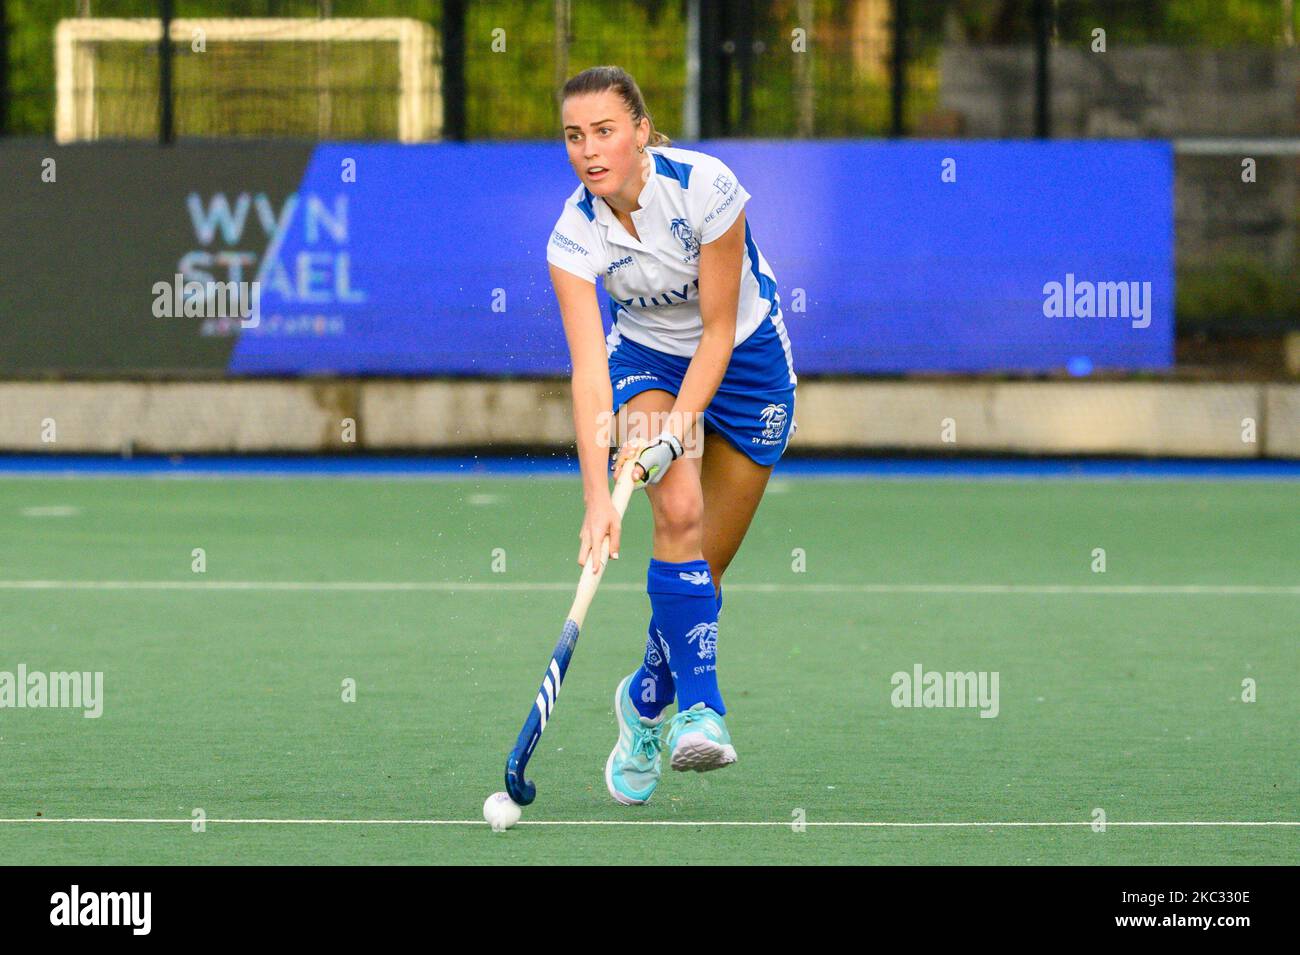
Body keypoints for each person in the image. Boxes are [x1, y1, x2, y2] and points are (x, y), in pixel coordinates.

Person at [546, 65, 798, 805]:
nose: (589, 150)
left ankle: (645, 697)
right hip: (648, 359)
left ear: (642, 133)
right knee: (678, 514)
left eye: (604, 131)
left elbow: (718, 332)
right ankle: (704, 711)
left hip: (746, 359)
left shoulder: (708, 188)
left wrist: (678, 431)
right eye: (573, 136)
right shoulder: (572, 235)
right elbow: (590, 372)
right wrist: (597, 495)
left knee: (702, 578)